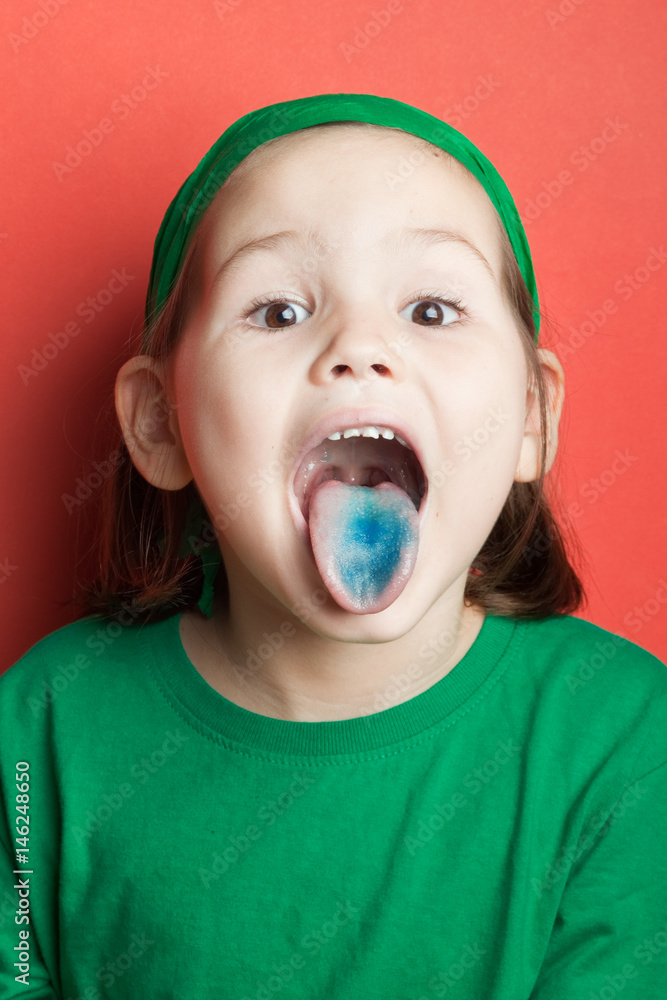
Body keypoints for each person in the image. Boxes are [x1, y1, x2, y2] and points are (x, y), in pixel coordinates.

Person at [1, 93, 666, 999]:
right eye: (276, 311)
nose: (359, 347)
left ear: (530, 418)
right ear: (160, 423)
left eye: (430, 309)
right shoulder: (41, 729)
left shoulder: (625, 740)